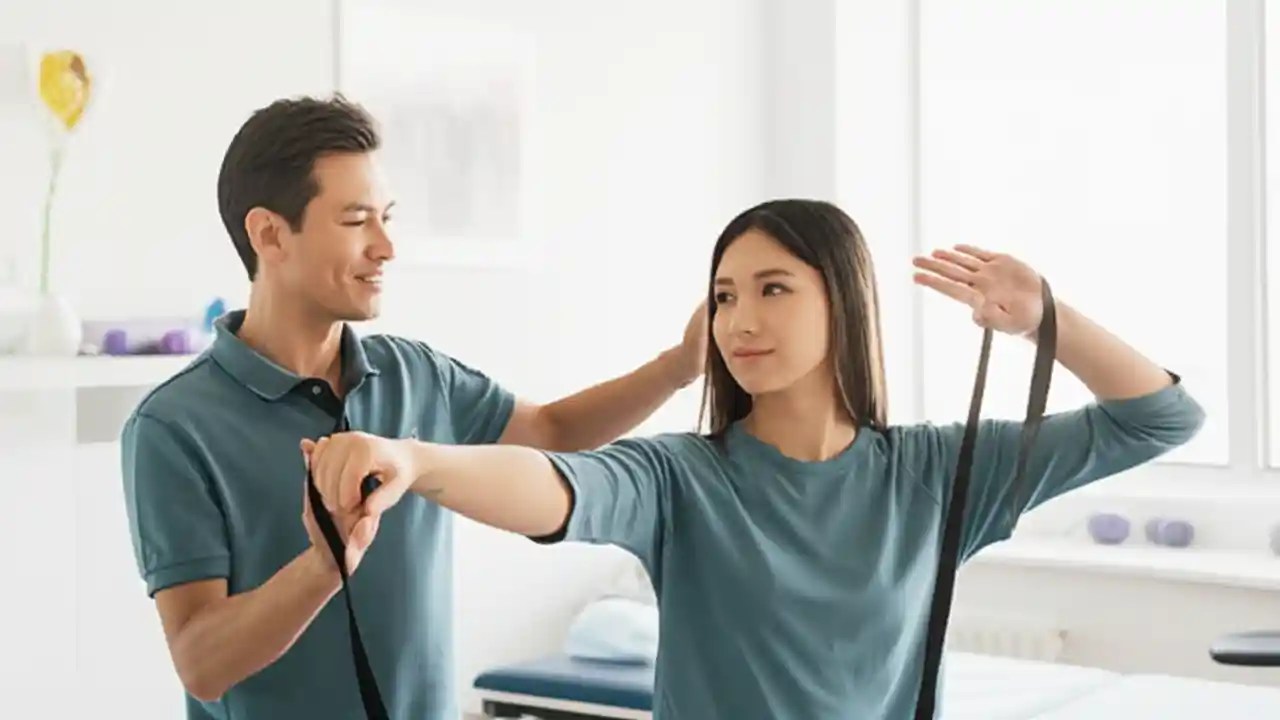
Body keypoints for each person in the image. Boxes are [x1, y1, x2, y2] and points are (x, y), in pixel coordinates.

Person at [307, 198, 1206, 719]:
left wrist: (1048, 316)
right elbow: (555, 485)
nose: (739, 321)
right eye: (725, 295)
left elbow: (1159, 418)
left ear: (843, 301)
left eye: (773, 289)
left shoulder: (935, 476)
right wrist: (419, 461)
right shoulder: (681, 479)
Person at [118, 94, 707, 720]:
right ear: (269, 234)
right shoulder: (172, 427)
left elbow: (553, 432)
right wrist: (323, 565)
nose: (387, 247)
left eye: (386, 217)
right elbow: (202, 663)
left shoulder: (416, 373)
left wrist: (680, 366)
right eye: (356, 221)